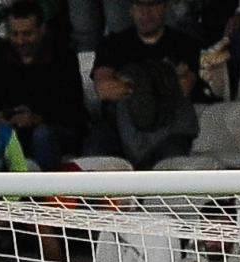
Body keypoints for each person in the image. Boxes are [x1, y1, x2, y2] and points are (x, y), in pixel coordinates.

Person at [86, 0, 201, 170]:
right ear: (131, 9)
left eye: (152, 5)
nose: (145, 13)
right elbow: (104, 89)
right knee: (96, 148)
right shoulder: (113, 43)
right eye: (139, 6)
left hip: (169, 125)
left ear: (165, 7)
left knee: (173, 157)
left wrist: (128, 80)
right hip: (118, 125)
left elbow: (183, 87)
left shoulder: (184, 43)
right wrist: (163, 80)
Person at [0, 0, 87, 171]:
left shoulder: (63, 57)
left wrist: (37, 118)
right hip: (10, 129)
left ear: (42, 29)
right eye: (15, 34)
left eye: (27, 34)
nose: (20, 41)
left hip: (55, 130)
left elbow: (73, 108)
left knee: (42, 134)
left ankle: (46, 194)